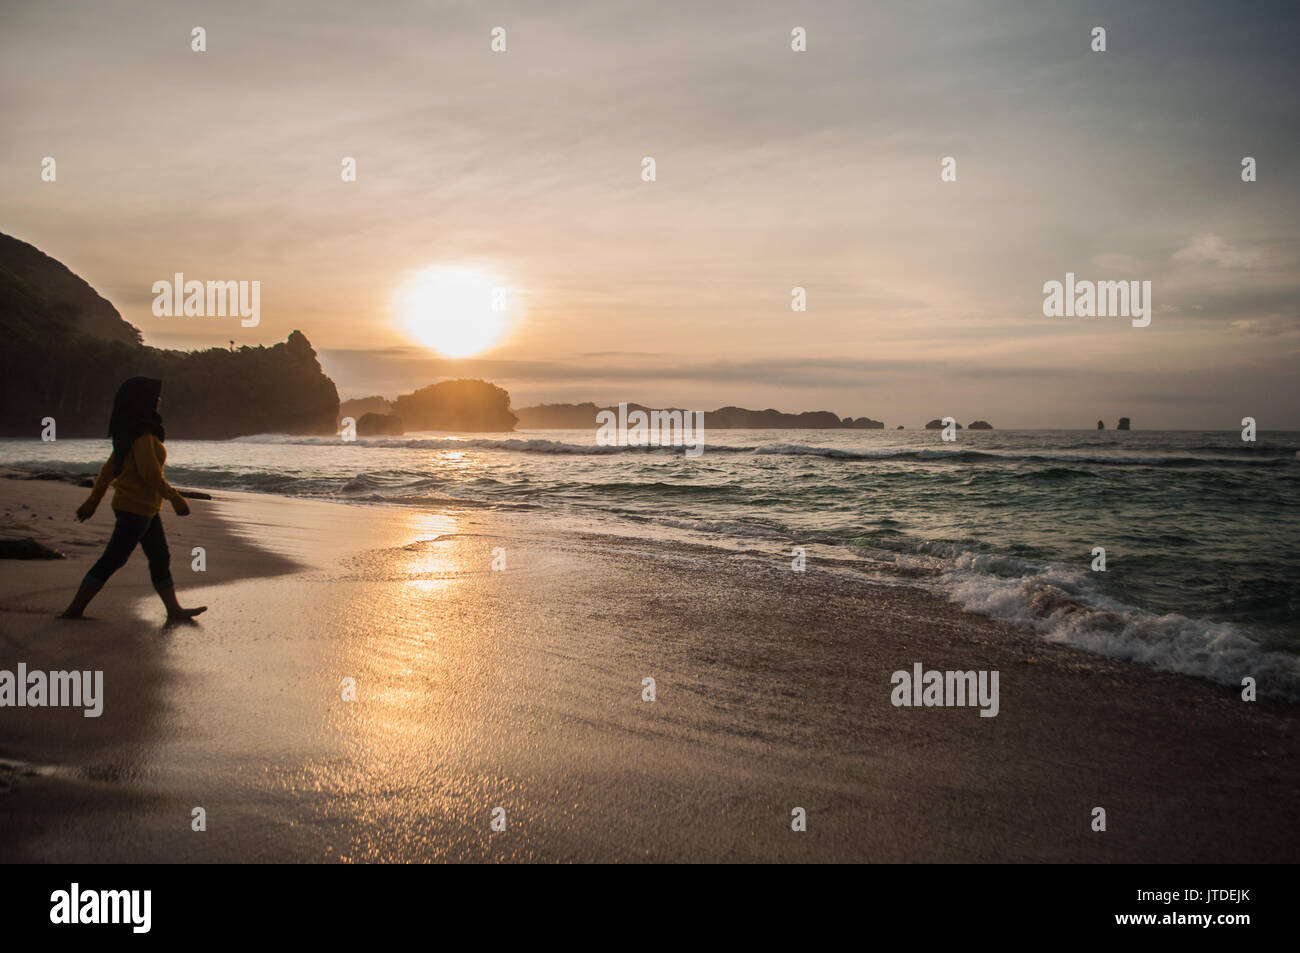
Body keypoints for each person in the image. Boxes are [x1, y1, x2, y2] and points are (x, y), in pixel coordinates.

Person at [59, 377, 207, 621]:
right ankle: (74, 609)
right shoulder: (142, 435)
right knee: (114, 558)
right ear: (144, 401)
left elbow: (109, 470)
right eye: (155, 397)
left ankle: (173, 610)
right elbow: (150, 474)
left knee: (159, 556)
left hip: (145, 509)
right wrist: (175, 498)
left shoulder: (129, 431)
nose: (159, 401)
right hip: (135, 509)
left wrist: (93, 502)